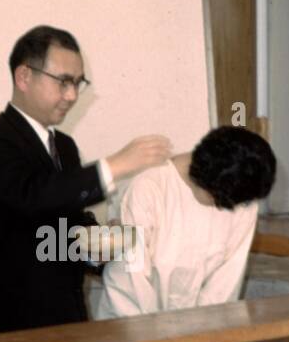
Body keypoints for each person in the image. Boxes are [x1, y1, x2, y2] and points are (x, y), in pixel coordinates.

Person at [0, 25, 172, 338]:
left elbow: (60, 226)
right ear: (24, 77)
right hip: (9, 331)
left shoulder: (64, 146)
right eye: (63, 82)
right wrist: (114, 165)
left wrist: (96, 245)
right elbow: (35, 199)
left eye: (77, 83)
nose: (72, 95)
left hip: (65, 324)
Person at [97, 126, 277, 317]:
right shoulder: (148, 188)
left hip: (195, 328)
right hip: (131, 321)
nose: (223, 209)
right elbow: (133, 282)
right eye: (217, 201)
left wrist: (202, 334)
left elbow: (225, 284)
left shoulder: (243, 201)